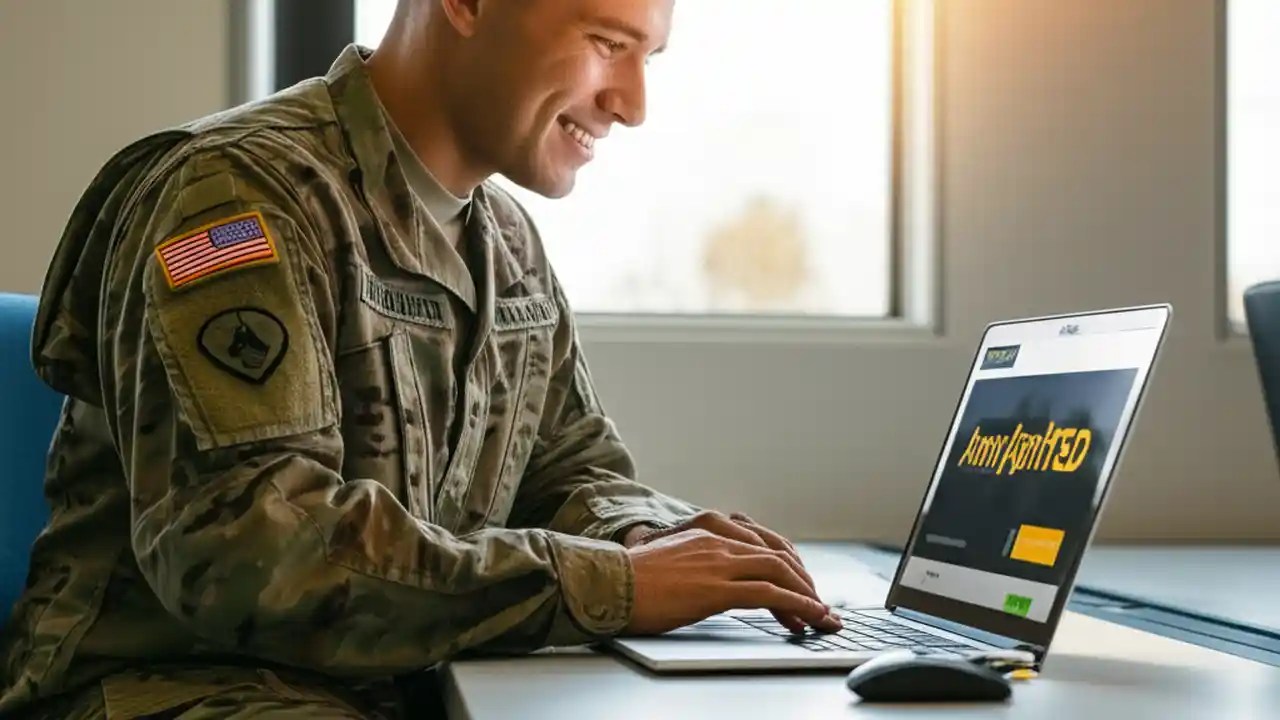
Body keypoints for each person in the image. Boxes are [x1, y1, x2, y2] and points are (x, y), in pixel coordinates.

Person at [0, 0, 841, 716]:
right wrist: (611, 584)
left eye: (648, 56)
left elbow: (570, 472)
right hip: (173, 691)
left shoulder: (505, 242)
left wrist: (660, 545)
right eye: (605, 43)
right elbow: (249, 549)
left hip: (391, 691)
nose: (632, 103)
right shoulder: (235, 196)